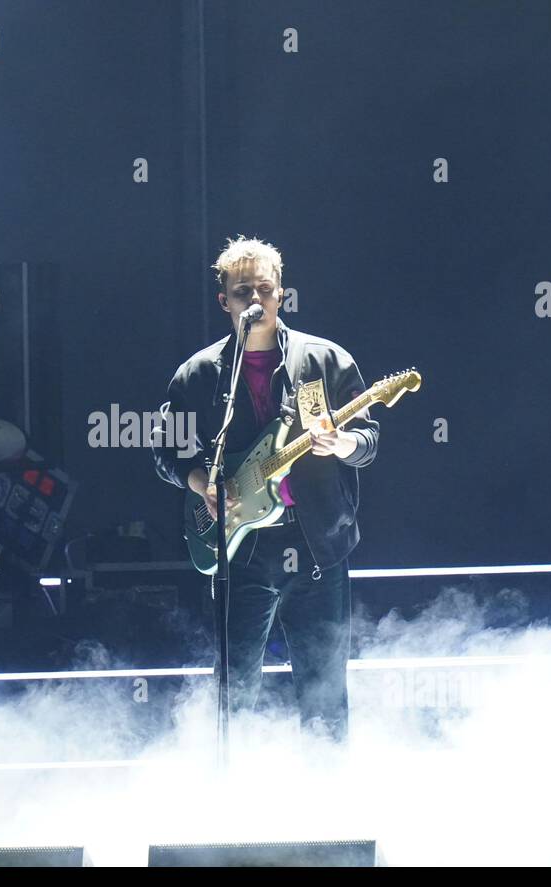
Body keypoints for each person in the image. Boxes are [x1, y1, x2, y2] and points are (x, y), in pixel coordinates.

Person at [152, 236, 380, 741]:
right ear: (224, 302)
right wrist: (199, 481)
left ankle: (328, 800)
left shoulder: (323, 361)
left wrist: (341, 442)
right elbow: (165, 451)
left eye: (264, 289)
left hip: (316, 543)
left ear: (281, 294)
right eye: (242, 293)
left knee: (323, 691)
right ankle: (232, 797)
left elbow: (369, 440)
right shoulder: (197, 376)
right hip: (242, 550)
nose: (255, 300)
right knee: (232, 691)